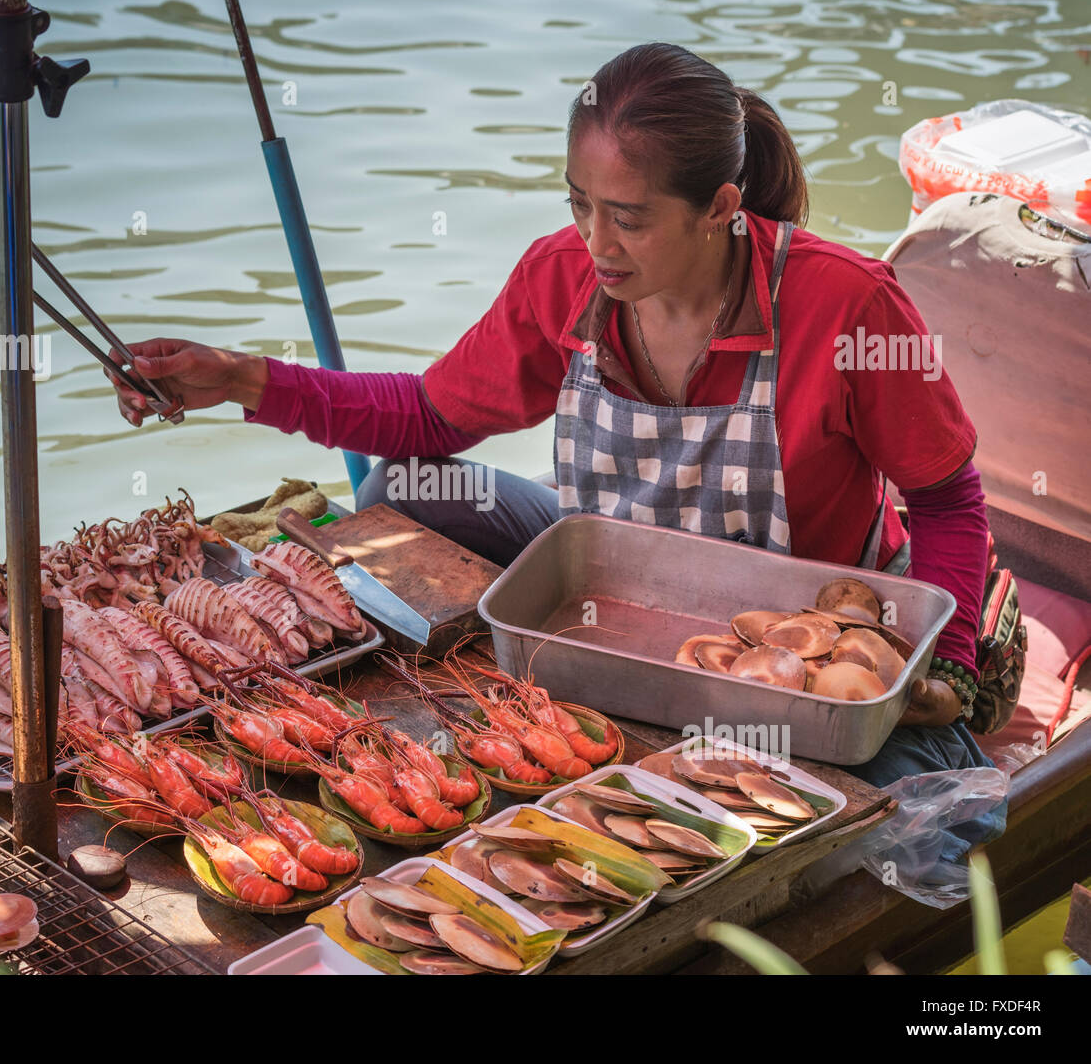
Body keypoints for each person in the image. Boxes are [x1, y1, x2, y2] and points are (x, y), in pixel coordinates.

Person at [106, 43, 1005, 855]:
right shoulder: (563, 278)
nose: (596, 243)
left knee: (937, 835)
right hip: (615, 577)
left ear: (720, 209)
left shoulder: (846, 304)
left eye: (629, 217)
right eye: (579, 204)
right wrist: (240, 380)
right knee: (403, 480)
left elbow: (947, 499)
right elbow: (426, 415)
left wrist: (952, 665)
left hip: (796, 637)